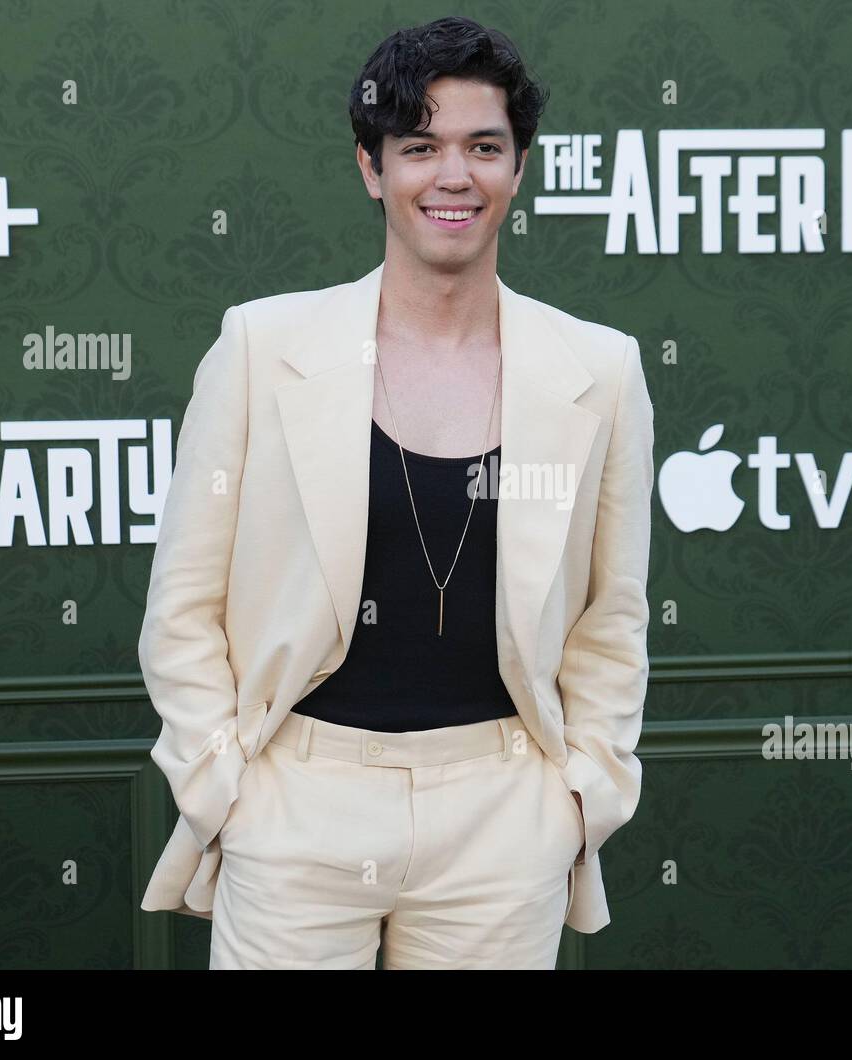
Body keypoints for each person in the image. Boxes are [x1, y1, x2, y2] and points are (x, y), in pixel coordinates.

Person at [138, 15, 655, 969]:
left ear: (517, 167)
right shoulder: (262, 349)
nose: (452, 176)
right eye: (419, 147)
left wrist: (583, 797)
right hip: (296, 805)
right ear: (373, 169)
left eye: (482, 147)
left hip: (505, 816)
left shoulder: (601, 369)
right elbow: (182, 607)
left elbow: (612, 619)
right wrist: (225, 790)